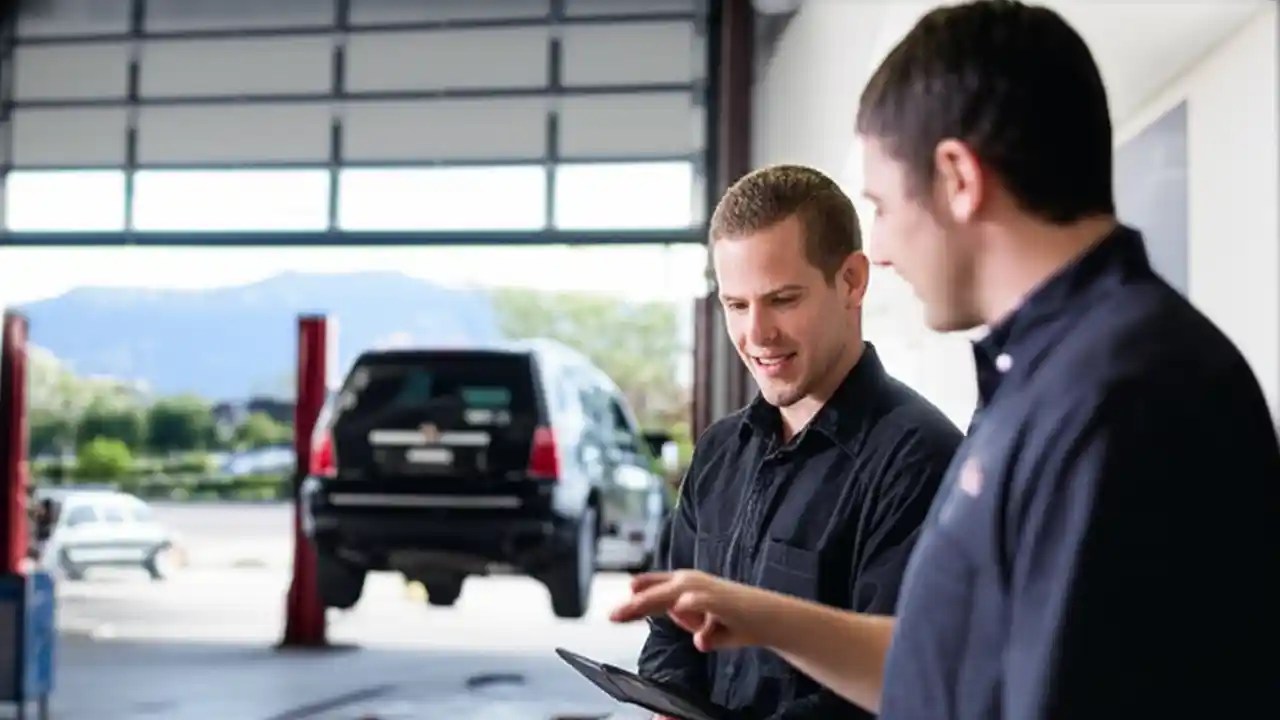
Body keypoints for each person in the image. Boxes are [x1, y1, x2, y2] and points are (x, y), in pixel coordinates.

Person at [613, 2, 1280, 719]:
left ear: (958, 178)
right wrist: (763, 616)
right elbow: (955, 668)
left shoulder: (1122, 396)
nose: (888, 250)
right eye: (737, 304)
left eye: (885, 204)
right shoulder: (1051, 382)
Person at [637, 164, 963, 720]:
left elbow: (898, 683)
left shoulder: (920, 460)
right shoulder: (718, 452)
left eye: (783, 300)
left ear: (852, 281)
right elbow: (670, 634)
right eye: (736, 306)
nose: (757, 335)